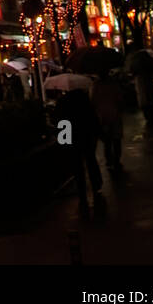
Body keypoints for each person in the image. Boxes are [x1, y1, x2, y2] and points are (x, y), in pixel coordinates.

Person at [55, 86, 104, 217]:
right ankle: (96, 184)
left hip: (73, 136)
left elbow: (60, 120)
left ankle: (82, 190)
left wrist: (63, 139)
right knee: (90, 159)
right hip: (86, 135)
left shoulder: (62, 102)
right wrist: (98, 132)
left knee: (77, 165)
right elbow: (92, 117)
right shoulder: (84, 101)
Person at [91, 71, 124, 172]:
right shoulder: (113, 84)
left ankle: (109, 160)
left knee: (107, 140)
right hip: (114, 114)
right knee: (116, 139)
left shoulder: (95, 85)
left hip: (102, 116)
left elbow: (92, 100)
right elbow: (120, 98)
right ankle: (116, 160)